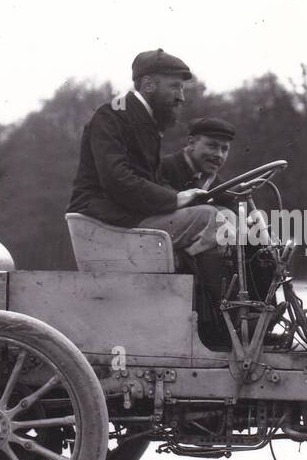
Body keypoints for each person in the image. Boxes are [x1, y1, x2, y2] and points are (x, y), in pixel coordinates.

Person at [67, 49, 236, 344]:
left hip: (124, 217)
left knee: (227, 219)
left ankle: (215, 320)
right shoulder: (112, 116)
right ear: (148, 84)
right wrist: (178, 199)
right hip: (106, 221)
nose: (181, 97)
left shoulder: (141, 121)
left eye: (182, 88)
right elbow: (117, 181)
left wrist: (186, 198)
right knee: (213, 221)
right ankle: (225, 328)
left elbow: (145, 182)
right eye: (175, 86)